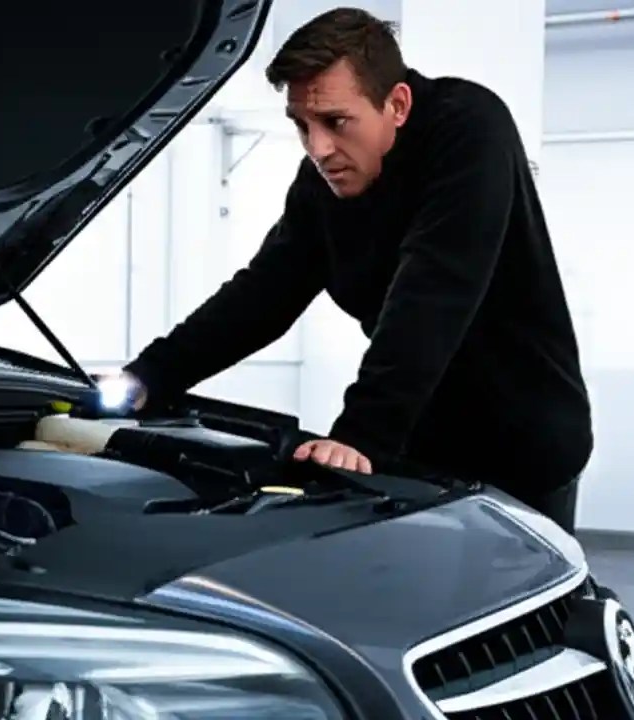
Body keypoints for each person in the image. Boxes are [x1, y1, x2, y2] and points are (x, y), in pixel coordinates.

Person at [113, 7, 592, 532]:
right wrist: (149, 375)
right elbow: (262, 295)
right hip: (422, 445)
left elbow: (434, 290)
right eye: (302, 125)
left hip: (522, 445)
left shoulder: (469, 128)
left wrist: (361, 435)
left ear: (398, 105)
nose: (318, 149)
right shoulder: (322, 184)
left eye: (336, 122)